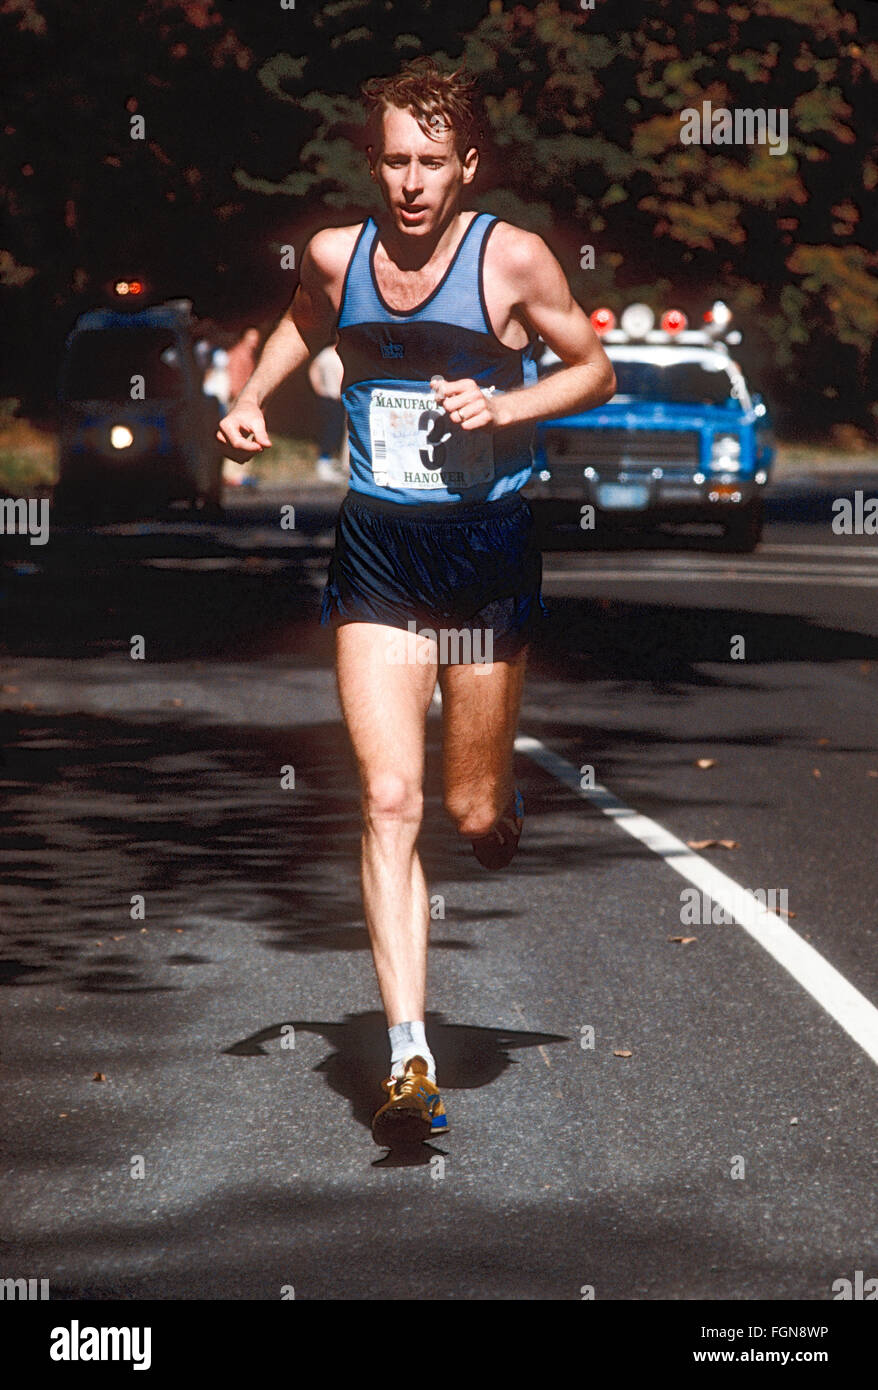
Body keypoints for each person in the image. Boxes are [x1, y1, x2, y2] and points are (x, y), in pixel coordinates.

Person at [217, 57, 615, 1147]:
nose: (409, 182)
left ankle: (494, 814)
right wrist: (251, 397)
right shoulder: (339, 254)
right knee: (389, 800)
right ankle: (406, 1055)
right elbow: (304, 316)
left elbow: (594, 368)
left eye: (431, 161)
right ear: (373, 162)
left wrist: (507, 399)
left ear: (466, 165)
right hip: (380, 553)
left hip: (484, 554)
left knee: (471, 810)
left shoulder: (512, 261)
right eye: (393, 159)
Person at [308, 344, 347, 483]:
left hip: (339, 399)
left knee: (338, 431)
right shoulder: (328, 354)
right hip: (330, 398)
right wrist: (318, 388)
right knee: (330, 430)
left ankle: (331, 462)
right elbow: (314, 368)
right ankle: (324, 463)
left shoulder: (338, 354)